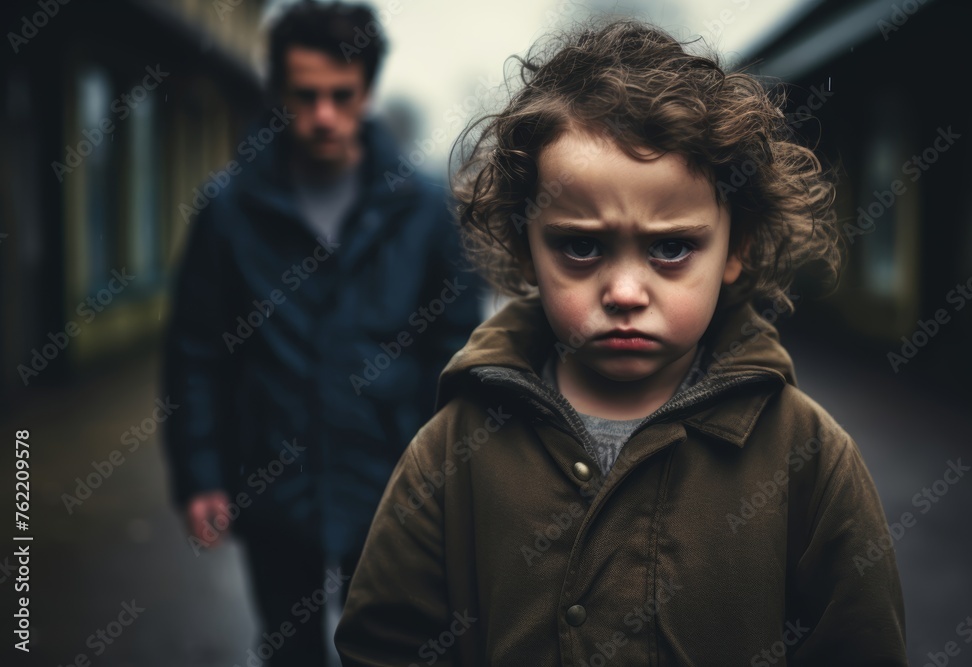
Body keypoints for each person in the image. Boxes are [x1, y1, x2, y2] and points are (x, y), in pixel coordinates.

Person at [334, 19, 907, 666]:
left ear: (735, 246)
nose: (626, 291)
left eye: (671, 248)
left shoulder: (810, 457)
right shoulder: (453, 444)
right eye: (581, 246)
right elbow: (382, 644)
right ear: (527, 248)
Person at [162, 2, 483, 665]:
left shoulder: (422, 211)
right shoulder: (228, 210)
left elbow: (455, 349)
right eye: (306, 96)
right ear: (280, 90)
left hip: (392, 482)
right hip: (274, 485)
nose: (325, 115)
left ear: (367, 90)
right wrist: (202, 476)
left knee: (397, 650)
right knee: (289, 651)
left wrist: (448, 476)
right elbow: (196, 353)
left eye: (343, 95)